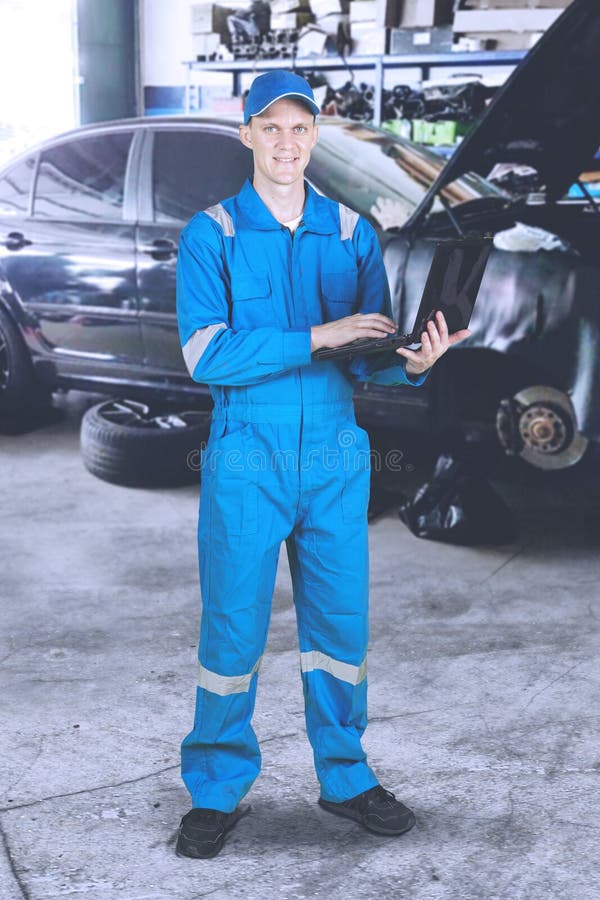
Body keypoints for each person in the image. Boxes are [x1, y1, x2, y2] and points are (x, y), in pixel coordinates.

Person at [175, 70, 470, 859]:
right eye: (270, 126)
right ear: (246, 134)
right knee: (233, 630)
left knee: (340, 627)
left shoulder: (350, 233)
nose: (286, 141)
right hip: (248, 453)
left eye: (299, 127)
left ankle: (345, 776)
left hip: (336, 455)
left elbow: (365, 355)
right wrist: (318, 336)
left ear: (315, 136)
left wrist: (411, 362)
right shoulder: (212, 235)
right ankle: (216, 786)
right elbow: (207, 353)